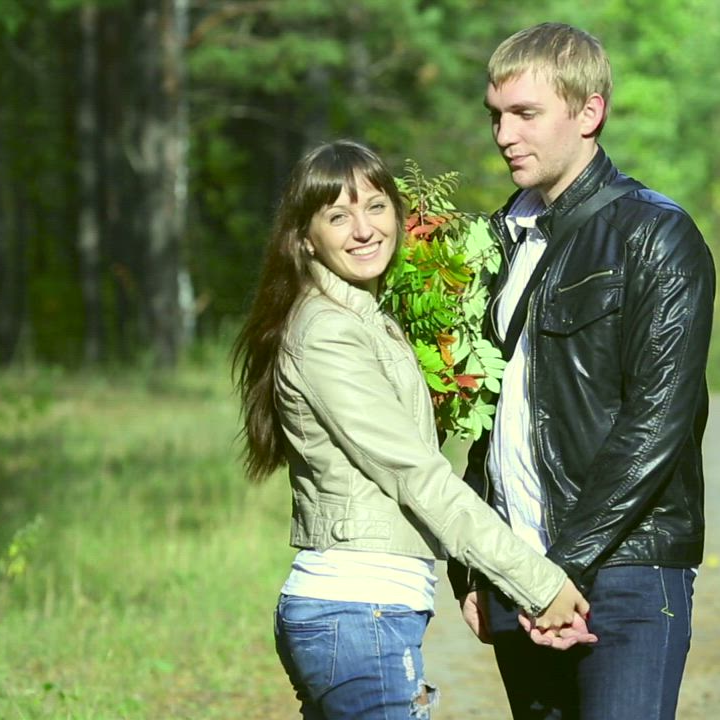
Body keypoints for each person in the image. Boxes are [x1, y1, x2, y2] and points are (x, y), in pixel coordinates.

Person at [232, 139, 593, 720]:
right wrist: (538, 583)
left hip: (366, 614)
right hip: (356, 612)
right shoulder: (329, 332)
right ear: (305, 238)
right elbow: (415, 475)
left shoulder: (365, 316)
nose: (363, 229)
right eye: (337, 215)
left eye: (375, 207)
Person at [447, 22, 716, 720]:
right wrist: (475, 566)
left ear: (588, 112)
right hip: (517, 574)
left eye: (525, 114)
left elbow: (658, 422)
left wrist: (563, 569)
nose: (504, 135)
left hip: (624, 572)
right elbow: (490, 415)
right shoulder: (501, 239)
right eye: (496, 116)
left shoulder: (654, 234)